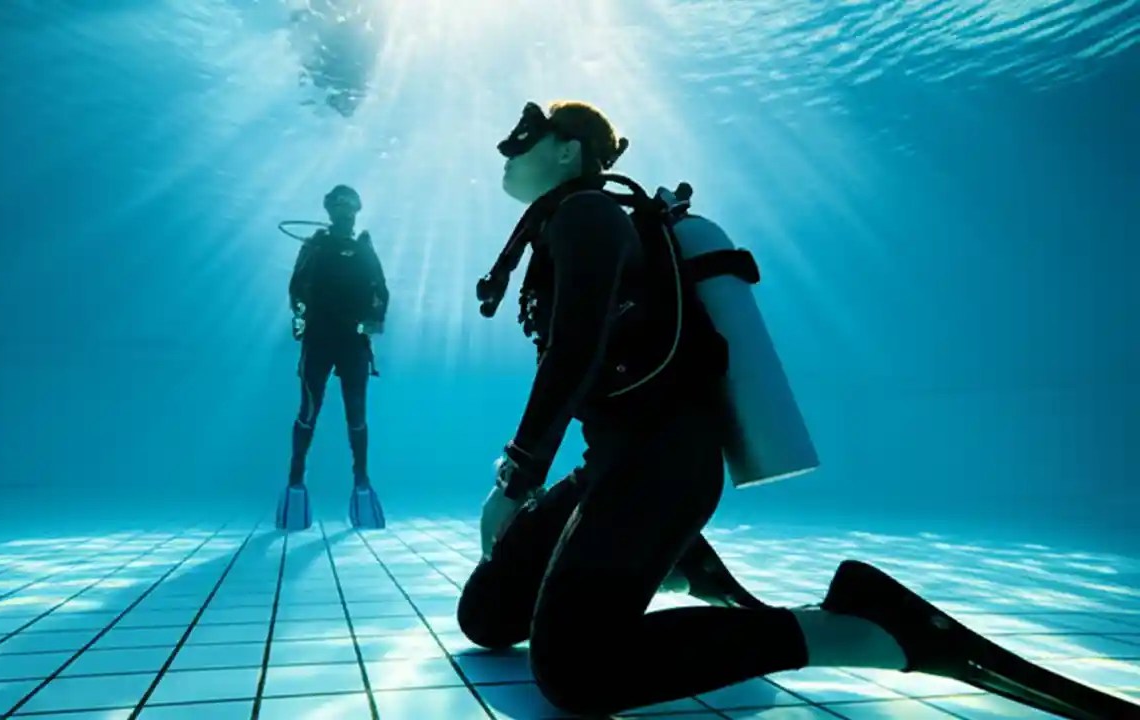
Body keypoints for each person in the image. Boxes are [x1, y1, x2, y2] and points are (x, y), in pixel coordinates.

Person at [454, 100, 1138, 720]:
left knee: (575, 673)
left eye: (527, 138)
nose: (509, 151)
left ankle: (860, 629)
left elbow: (574, 351)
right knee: (485, 616)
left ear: (569, 150)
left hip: (660, 469)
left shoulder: (586, 214)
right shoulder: (570, 223)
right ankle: (677, 562)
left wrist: (514, 480)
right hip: (612, 464)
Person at [276, 184, 389, 531]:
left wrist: (376, 319)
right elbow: (296, 288)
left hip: (352, 342)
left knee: (356, 415)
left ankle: (361, 481)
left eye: (349, 204)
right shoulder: (315, 246)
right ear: (328, 210)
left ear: (357, 209)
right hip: (320, 338)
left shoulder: (364, 248)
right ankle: (296, 480)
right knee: (309, 411)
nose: (343, 211)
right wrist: (299, 313)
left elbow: (381, 291)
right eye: (337, 205)